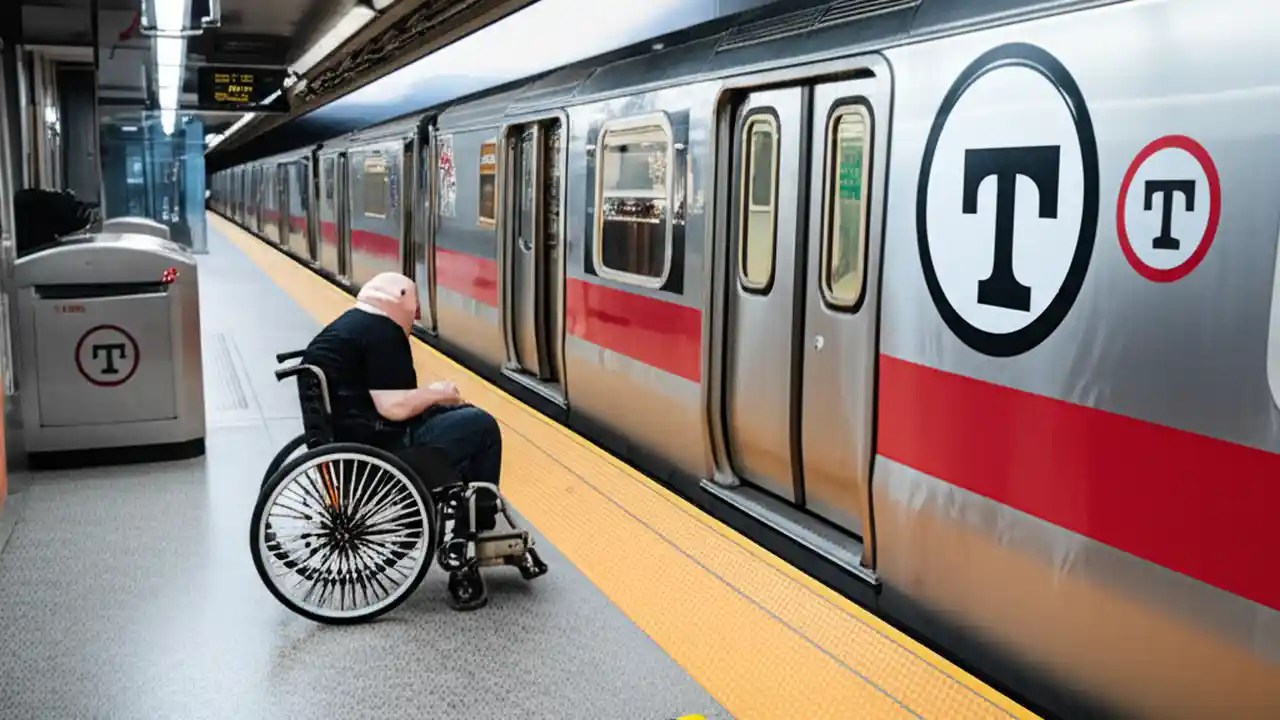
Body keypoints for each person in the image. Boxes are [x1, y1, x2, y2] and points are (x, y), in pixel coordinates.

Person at [301, 271, 505, 609]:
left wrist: (434, 402)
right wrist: (436, 392)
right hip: (384, 447)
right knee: (482, 427)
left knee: (456, 416)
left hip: (350, 439)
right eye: (414, 309)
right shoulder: (384, 332)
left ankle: (467, 515)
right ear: (399, 299)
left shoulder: (349, 326)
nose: (416, 318)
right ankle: (471, 532)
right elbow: (394, 407)